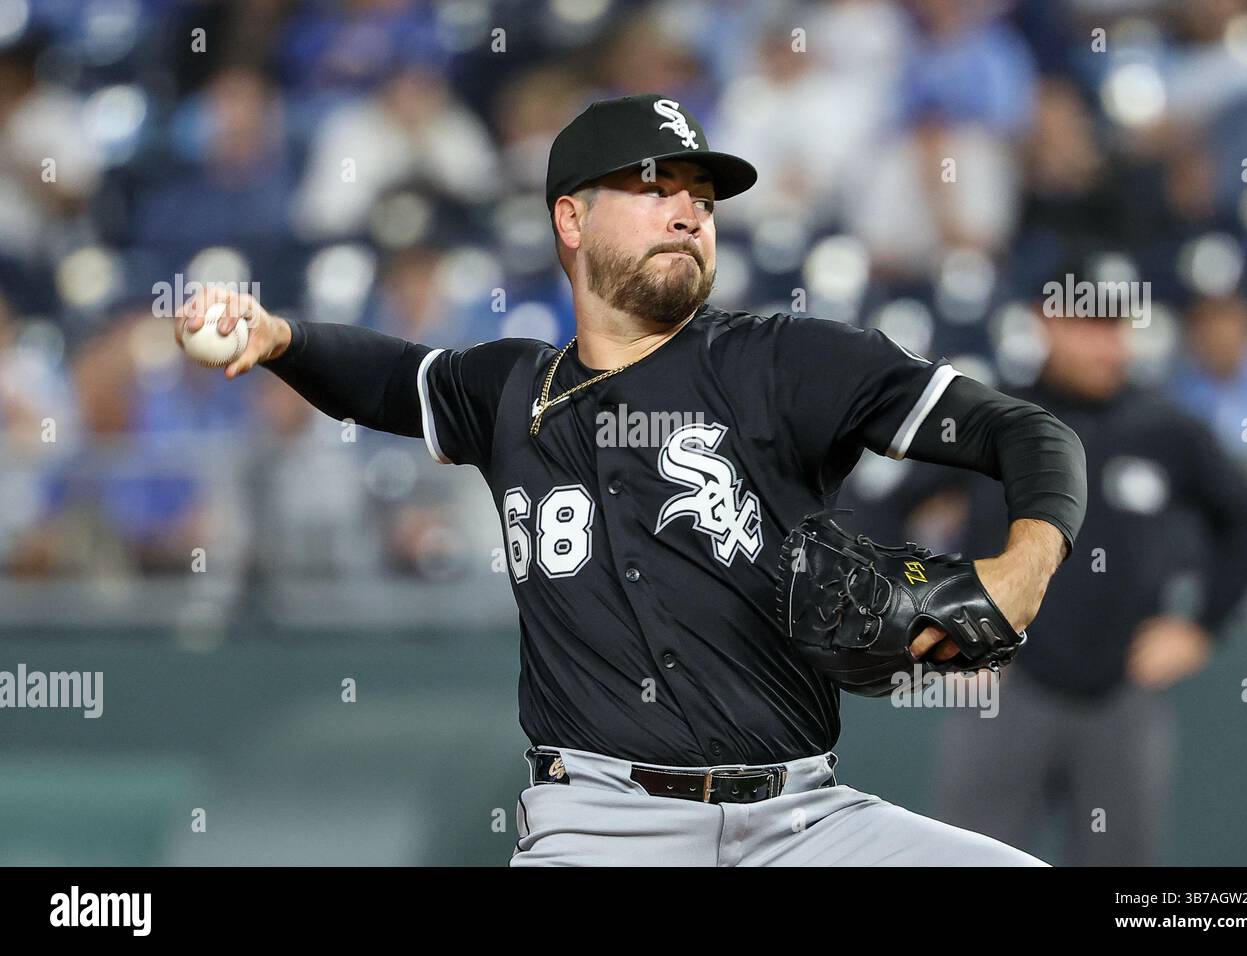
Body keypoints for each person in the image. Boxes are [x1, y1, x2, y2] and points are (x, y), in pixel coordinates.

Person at [174, 94, 1086, 866]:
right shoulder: (506, 390)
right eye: (654, 189)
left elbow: (1025, 430)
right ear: (571, 220)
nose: (689, 212)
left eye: (702, 198)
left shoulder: (790, 361)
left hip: (807, 821)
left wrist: (1026, 564)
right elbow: (385, 377)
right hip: (600, 826)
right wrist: (281, 340)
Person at [918, 304, 1247, 865]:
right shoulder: (994, 417)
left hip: (1121, 693)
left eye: (1116, 327)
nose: (1107, 346)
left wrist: (1199, 627)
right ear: (1045, 322)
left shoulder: (1164, 426)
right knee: (969, 859)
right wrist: (933, 618)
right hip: (1006, 689)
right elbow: (883, 508)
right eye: (1089, 325)